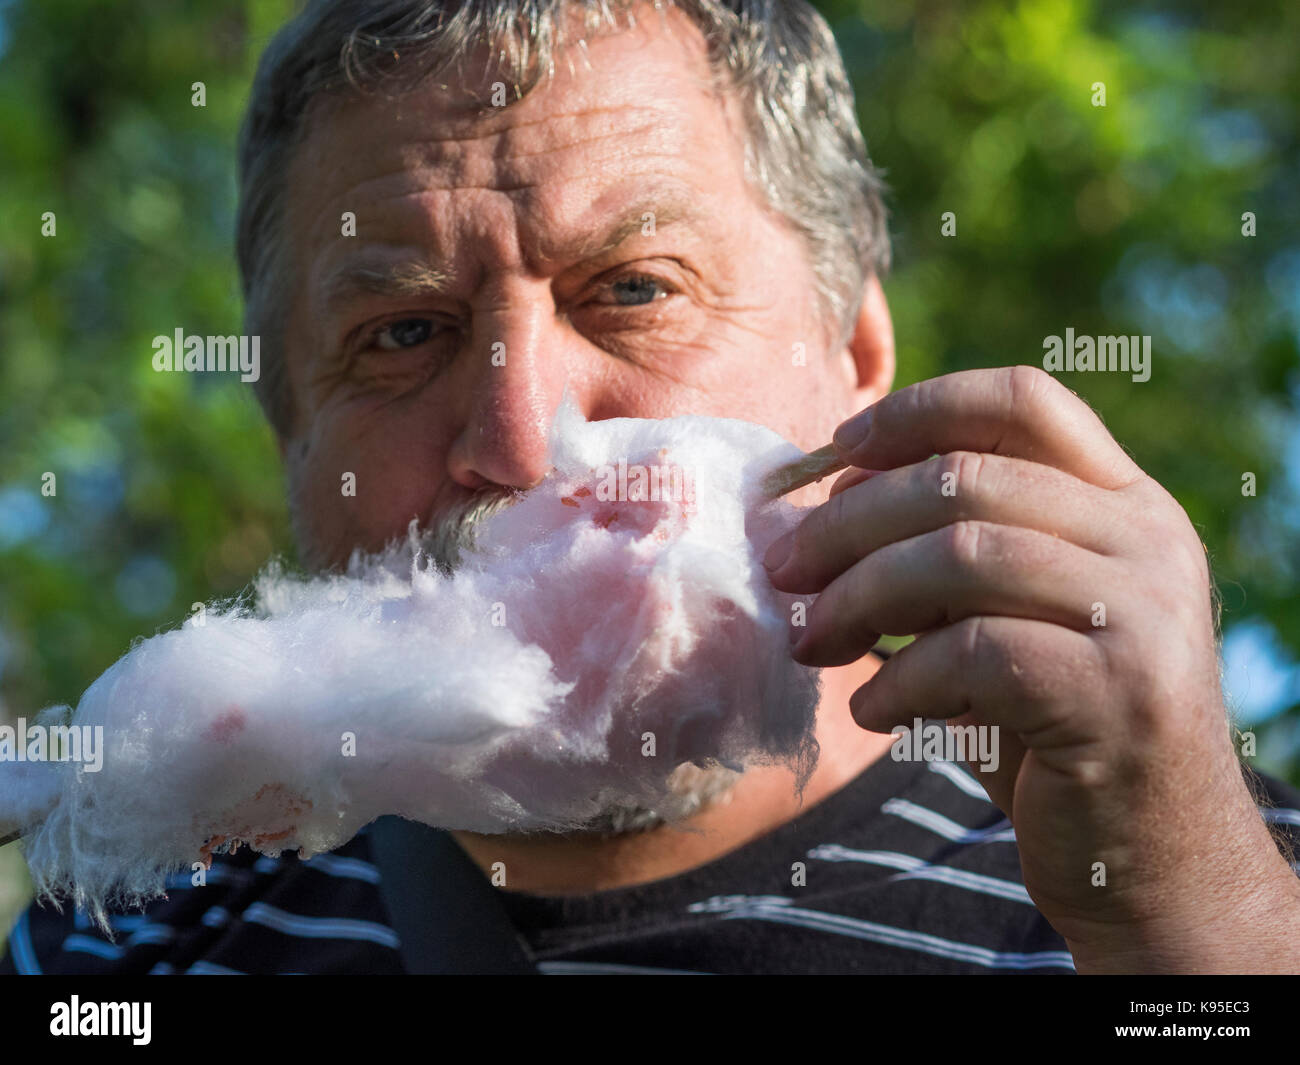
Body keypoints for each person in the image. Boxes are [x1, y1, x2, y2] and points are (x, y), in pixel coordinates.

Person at [4, 0, 1299, 975]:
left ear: (857, 356)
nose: (518, 440)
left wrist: (1191, 919)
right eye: (401, 331)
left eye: (633, 289)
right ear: (289, 430)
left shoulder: (1204, 875)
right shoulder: (121, 951)